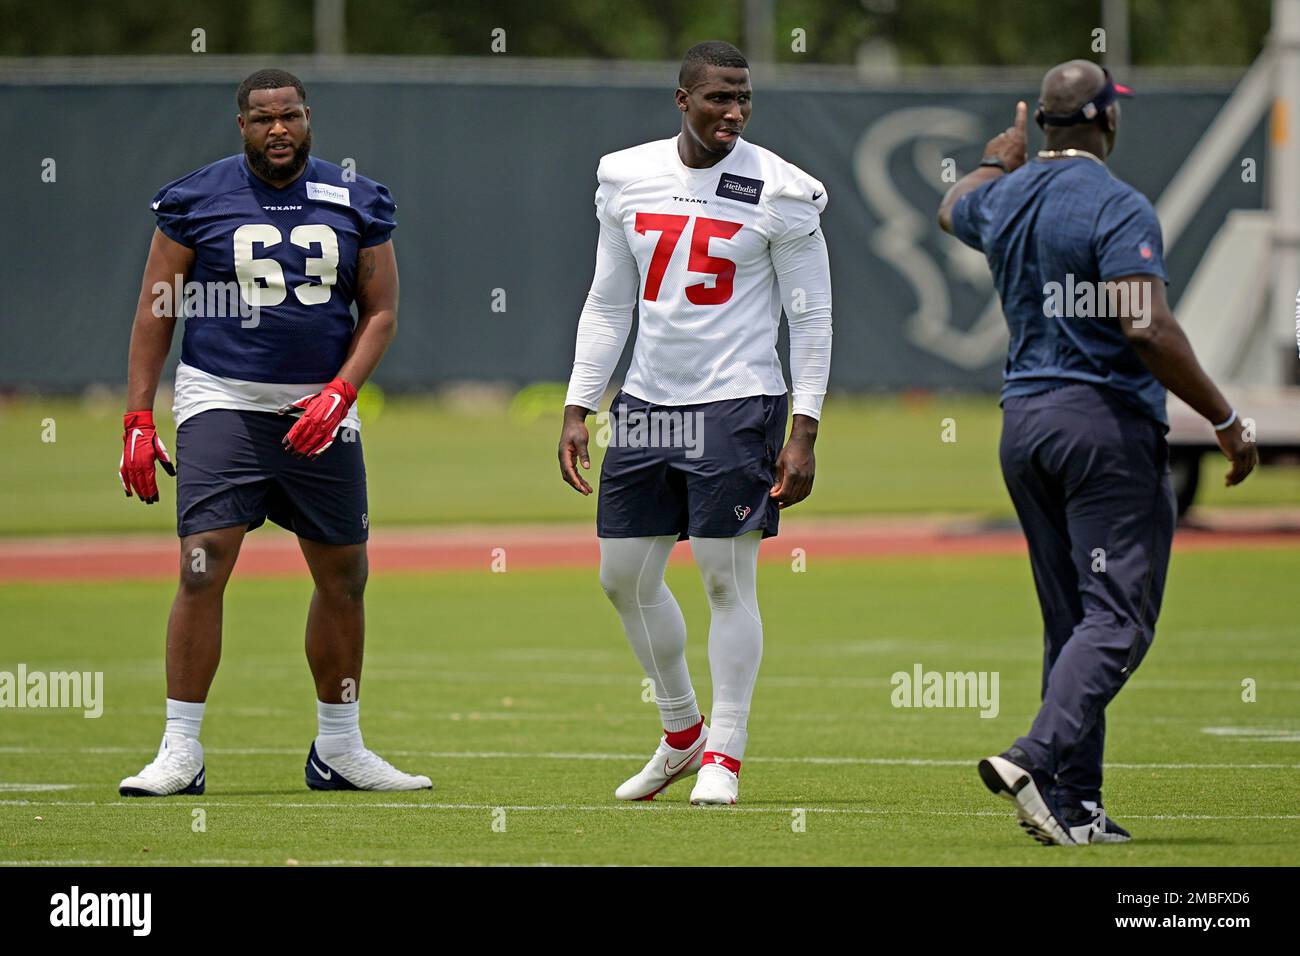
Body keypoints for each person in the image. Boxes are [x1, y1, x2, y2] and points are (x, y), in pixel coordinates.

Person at [938, 60, 1257, 844]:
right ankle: (1035, 758)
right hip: (1102, 428)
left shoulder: (1004, 195)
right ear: (1107, 120)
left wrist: (994, 158)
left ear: (1045, 125)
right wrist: (1223, 416)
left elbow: (952, 210)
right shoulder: (1118, 205)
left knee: (1073, 621)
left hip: (1025, 425)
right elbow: (1144, 325)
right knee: (1120, 619)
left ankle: (1074, 808)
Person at [117, 68, 431, 795]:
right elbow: (156, 307)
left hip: (320, 408)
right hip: (222, 395)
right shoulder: (197, 196)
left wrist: (342, 391)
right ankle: (181, 750)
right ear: (242, 126)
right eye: (264, 119)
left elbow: (379, 311)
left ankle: (339, 748)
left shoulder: (355, 196)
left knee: (345, 576)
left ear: (309, 118)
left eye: (290, 116)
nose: (279, 130)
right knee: (204, 561)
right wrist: (137, 414)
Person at [558, 41, 833, 806]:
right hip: (646, 403)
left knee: (722, 577)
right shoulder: (626, 173)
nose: (734, 113)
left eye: (744, 98)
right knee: (622, 578)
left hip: (737, 401)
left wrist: (803, 427)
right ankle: (681, 733)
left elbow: (813, 321)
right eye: (718, 98)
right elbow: (609, 303)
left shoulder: (783, 189)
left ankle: (726, 752)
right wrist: (581, 403)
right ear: (683, 99)